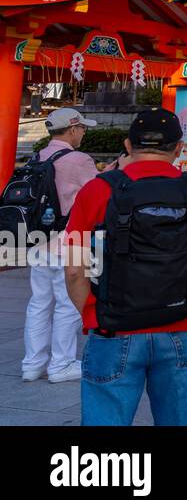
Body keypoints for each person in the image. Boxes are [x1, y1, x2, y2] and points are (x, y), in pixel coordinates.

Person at [63, 107, 187, 425]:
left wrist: (95, 312)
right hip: (183, 329)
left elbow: (73, 269)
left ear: (127, 144)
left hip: (113, 330)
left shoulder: (98, 188)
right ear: (179, 148)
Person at [21, 107, 97, 384]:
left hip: (38, 241)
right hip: (69, 240)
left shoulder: (37, 156)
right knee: (67, 303)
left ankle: (32, 364)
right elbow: (97, 194)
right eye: (82, 129)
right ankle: (61, 364)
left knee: (39, 303)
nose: (84, 133)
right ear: (73, 129)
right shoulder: (79, 159)